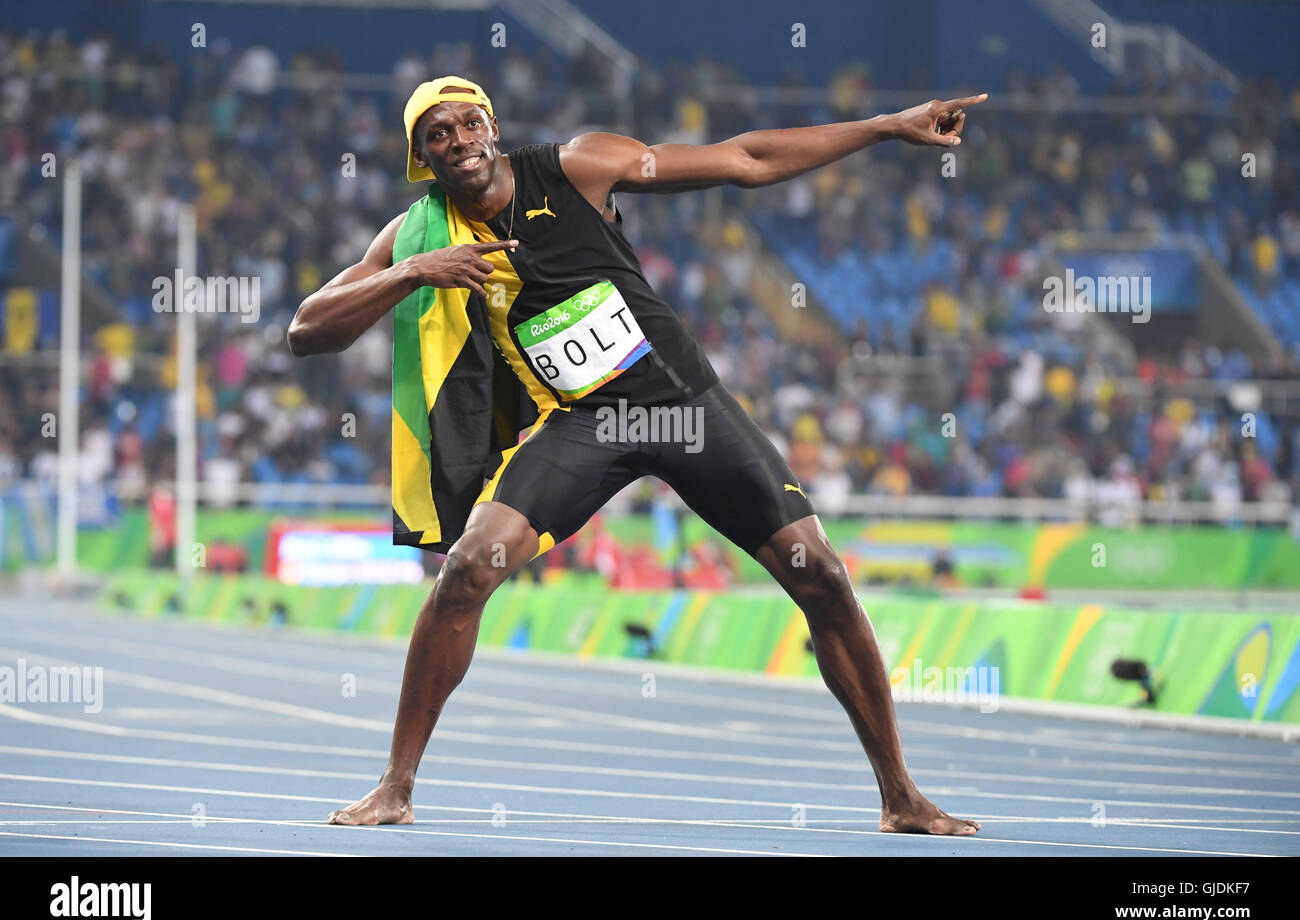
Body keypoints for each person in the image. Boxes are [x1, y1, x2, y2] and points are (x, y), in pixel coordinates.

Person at [289, 76, 987, 835]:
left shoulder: (579, 165)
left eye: (468, 123)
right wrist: (412, 273)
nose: (458, 141)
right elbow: (306, 329)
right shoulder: (417, 235)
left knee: (818, 572)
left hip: (683, 406)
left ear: (493, 126)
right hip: (585, 423)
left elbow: (745, 159)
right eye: (438, 134)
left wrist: (890, 124)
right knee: (466, 569)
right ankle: (394, 788)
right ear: (421, 156)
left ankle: (900, 797)